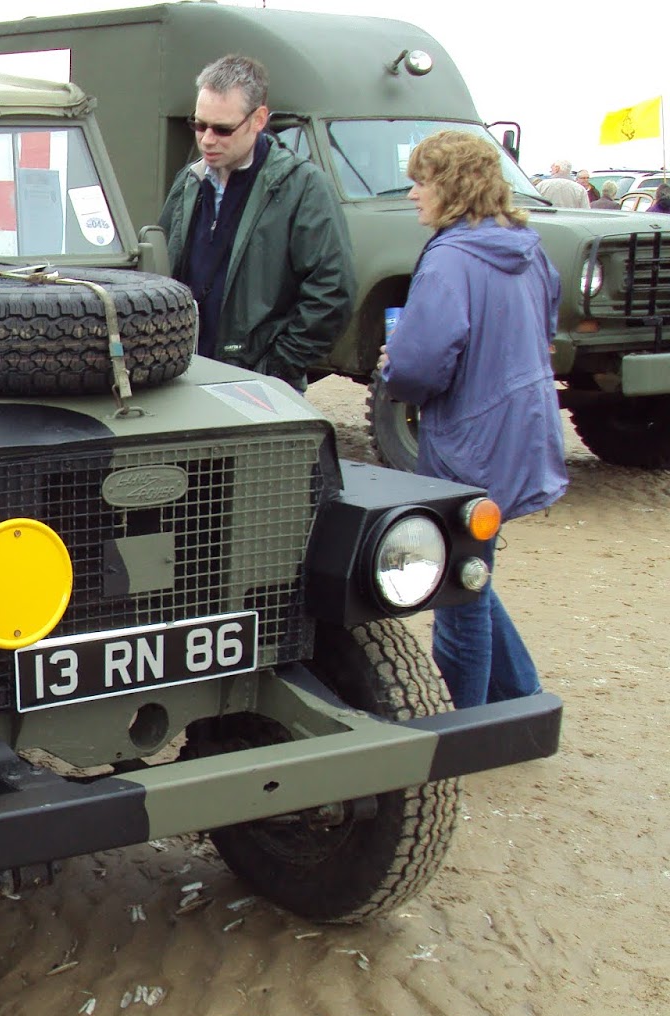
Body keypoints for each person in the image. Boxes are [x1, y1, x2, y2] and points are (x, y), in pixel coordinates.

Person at [380, 130, 567, 708]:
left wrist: (393, 366)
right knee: (471, 569)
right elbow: (547, 323)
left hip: (470, 441)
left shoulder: (450, 260)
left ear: (451, 187)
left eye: (422, 181)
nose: (413, 194)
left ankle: (462, 728)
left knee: (456, 587)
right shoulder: (526, 247)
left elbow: (418, 365)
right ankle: (519, 694)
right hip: (524, 429)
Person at [158, 55, 355, 392]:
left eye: (222, 129)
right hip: (183, 376)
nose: (206, 139)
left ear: (258, 119)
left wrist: (275, 368)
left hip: (258, 385)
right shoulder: (189, 181)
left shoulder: (302, 187)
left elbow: (332, 293)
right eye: (199, 124)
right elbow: (158, 269)